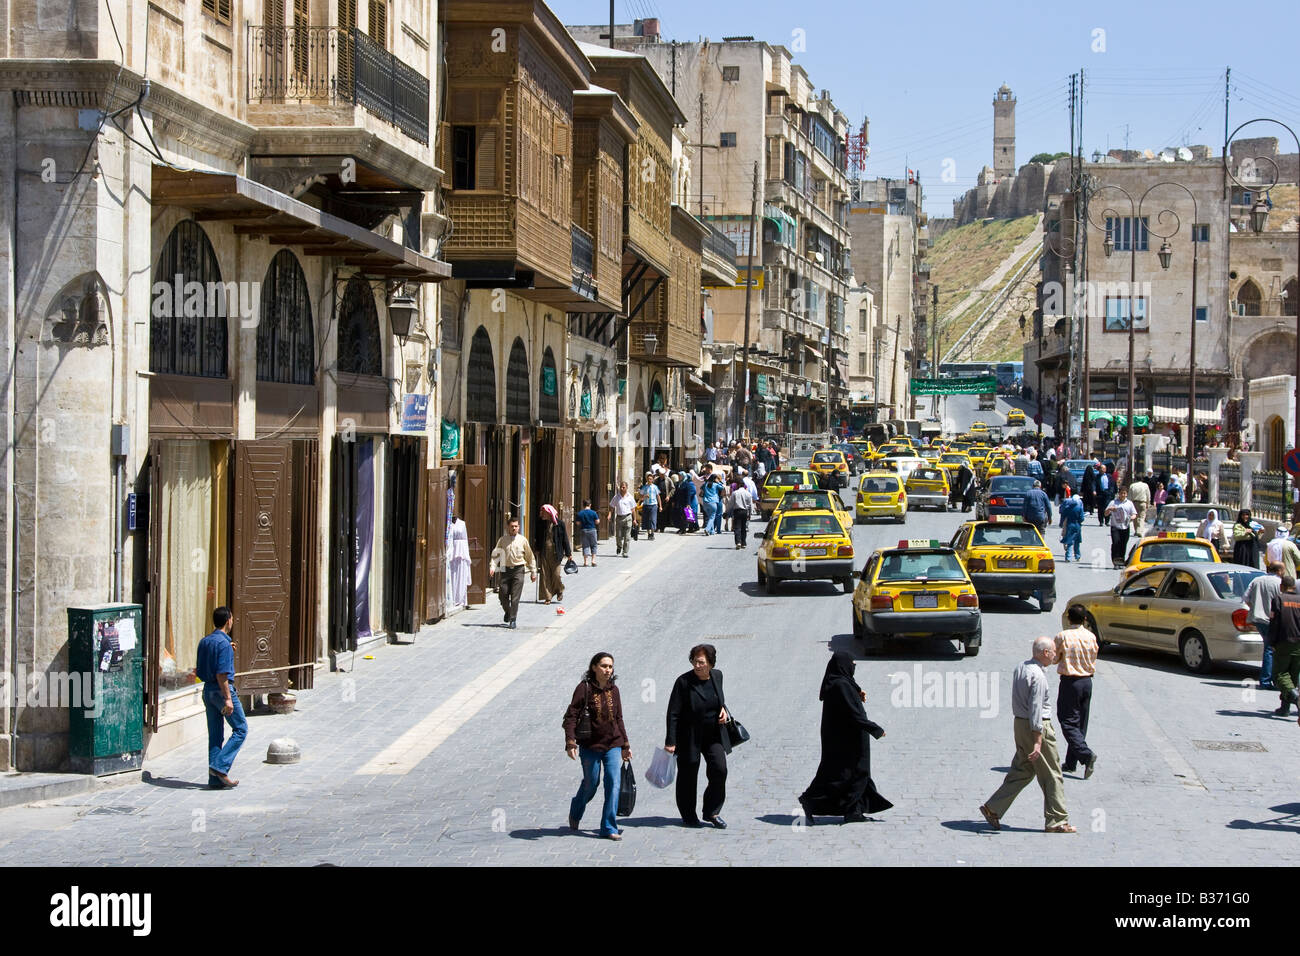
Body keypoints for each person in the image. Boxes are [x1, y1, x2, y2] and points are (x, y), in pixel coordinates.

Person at [979, 636, 1074, 833]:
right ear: (1045, 653)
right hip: (1035, 727)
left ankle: (993, 807)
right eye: (1054, 652)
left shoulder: (1021, 667)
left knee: (1023, 770)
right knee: (1052, 774)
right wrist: (1038, 741)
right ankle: (1057, 820)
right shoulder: (1038, 677)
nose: (1056, 655)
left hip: (1020, 724)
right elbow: (1036, 709)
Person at [798, 651, 891, 824]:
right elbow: (854, 715)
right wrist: (876, 729)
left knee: (855, 774)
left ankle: (854, 811)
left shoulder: (840, 682)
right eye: (852, 663)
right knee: (841, 775)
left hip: (847, 738)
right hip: (846, 740)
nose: (854, 665)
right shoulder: (840, 685)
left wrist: (857, 693)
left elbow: (850, 697)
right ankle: (810, 801)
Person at [562, 652, 631, 840]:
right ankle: (576, 811)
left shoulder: (614, 690)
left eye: (610, 667)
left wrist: (625, 745)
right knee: (591, 783)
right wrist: (570, 742)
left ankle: (609, 827)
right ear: (594, 667)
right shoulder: (583, 689)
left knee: (613, 783)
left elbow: (619, 719)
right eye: (603, 666)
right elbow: (571, 716)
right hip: (590, 746)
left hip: (613, 745)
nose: (608, 670)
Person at [665, 644, 733, 829]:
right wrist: (670, 741)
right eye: (694, 661)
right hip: (689, 736)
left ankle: (712, 811)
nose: (697, 665)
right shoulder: (683, 682)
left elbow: (719, 699)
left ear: (710, 663)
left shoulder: (717, 676)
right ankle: (688, 815)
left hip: (713, 735)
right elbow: (673, 713)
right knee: (688, 775)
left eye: (701, 662)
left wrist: (723, 710)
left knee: (720, 769)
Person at [196, 606, 246, 789]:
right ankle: (220, 767)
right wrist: (227, 699)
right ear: (228, 621)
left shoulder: (205, 641)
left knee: (215, 735)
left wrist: (227, 648)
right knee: (241, 729)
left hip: (207, 691)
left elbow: (202, 668)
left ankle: (215, 780)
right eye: (232, 619)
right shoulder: (223, 644)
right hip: (220, 691)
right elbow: (222, 675)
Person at [1055, 605, 1099, 777]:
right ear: (1085, 619)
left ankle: (1086, 755)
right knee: (1080, 722)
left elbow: (1054, 658)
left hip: (1070, 682)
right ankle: (1071, 762)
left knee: (1067, 720)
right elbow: (1094, 655)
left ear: (1068, 618)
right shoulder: (1091, 637)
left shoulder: (1063, 636)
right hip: (1087, 681)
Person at [1245, 562, 1284, 692]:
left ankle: (1270, 678)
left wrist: (1254, 609)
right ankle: (1267, 680)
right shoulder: (1279, 583)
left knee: (1269, 647)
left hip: (1258, 619)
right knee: (1270, 649)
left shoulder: (1257, 580)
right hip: (1271, 620)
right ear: (1278, 571)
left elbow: (1246, 598)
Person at [490, 516, 536, 629]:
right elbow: (496, 555)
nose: (514, 528)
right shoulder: (502, 540)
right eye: (512, 526)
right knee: (503, 595)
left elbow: (530, 557)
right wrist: (492, 567)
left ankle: (513, 619)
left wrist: (533, 571)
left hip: (518, 570)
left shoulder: (523, 540)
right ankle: (508, 611)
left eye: (516, 526)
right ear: (508, 527)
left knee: (515, 597)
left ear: (519, 527)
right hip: (505, 570)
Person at [1270, 576, 1300, 717]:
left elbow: (1274, 623)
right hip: (1298, 643)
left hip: (1284, 641)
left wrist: (1272, 642)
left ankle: (1296, 698)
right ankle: (1285, 708)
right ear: (1293, 587)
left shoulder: (1279, 599)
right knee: (1292, 677)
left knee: (1279, 675)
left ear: (1281, 586)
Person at [535, 504, 571, 605]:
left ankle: (559, 589)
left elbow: (565, 539)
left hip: (556, 553)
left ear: (549, 513)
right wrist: (537, 548)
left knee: (556, 575)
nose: (541, 514)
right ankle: (548, 597)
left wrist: (568, 553)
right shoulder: (540, 523)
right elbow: (537, 537)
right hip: (544, 552)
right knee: (544, 575)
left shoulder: (559, 524)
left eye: (543, 512)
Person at [1103, 487, 1138, 570]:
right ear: (1119, 493)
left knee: (1123, 544)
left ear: (1126, 494)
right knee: (1116, 543)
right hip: (1115, 527)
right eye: (1121, 493)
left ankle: (1121, 561)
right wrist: (1110, 509)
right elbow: (1105, 514)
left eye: (1124, 493)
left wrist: (1131, 518)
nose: (1123, 495)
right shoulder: (1113, 502)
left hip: (1125, 527)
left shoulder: (1129, 503)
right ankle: (1115, 562)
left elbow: (1134, 514)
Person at [448, 516, 471, 607]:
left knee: (461, 574)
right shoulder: (448, 523)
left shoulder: (462, 524)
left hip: (461, 550)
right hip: (451, 549)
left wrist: (466, 553)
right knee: (452, 574)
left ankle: (460, 598)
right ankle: (451, 597)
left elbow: (464, 538)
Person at [610, 481, 636, 558]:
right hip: (619, 518)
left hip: (628, 517)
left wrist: (634, 519)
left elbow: (633, 509)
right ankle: (619, 546)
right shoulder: (616, 497)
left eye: (623, 487)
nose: (622, 488)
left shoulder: (630, 497)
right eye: (621, 487)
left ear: (627, 488)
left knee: (627, 537)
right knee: (618, 536)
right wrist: (609, 514)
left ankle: (625, 552)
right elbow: (612, 506)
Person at [1059, 485, 1084, 563]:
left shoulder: (1068, 508)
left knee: (1070, 541)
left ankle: (1068, 557)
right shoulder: (1079, 508)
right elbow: (1082, 518)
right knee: (1077, 541)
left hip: (1070, 525)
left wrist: (1061, 523)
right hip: (1077, 525)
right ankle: (1077, 556)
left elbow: (1063, 515)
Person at [729, 477, 754, 550]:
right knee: (743, 527)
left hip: (737, 511)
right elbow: (750, 505)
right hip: (745, 512)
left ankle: (738, 542)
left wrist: (727, 512)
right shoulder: (748, 494)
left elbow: (730, 504)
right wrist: (750, 514)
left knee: (737, 527)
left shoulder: (735, 493)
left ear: (739, 485)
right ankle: (744, 543)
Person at [576, 499, 600, 566]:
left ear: (583, 505)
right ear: (590, 505)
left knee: (585, 546)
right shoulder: (593, 513)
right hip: (592, 530)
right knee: (594, 545)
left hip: (584, 530)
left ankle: (585, 562)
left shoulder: (580, 513)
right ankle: (593, 561)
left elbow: (577, 523)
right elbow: (597, 521)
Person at [638, 473, 660, 541]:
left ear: (652, 479)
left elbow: (658, 496)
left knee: (652, 519)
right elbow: (640, 497)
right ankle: (649, 534)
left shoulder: (655, 487)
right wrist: (644, 496)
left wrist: (660, 505)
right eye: (648, 479)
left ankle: (652, 533)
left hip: (653, 505)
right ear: (646, 479)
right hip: (646, 505)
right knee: (647, 520)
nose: (649, 480)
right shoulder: (644, 487)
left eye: (650, 479)